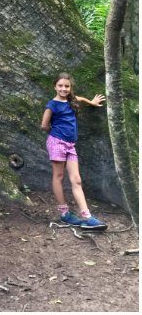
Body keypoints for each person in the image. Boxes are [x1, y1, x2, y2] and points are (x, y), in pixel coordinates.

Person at [40, 72, 107, 230]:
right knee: (59, 176)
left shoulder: (71, 101)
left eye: (67, 86)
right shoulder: (52, 104)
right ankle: (64, 213)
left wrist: (92, 102)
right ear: (55, 87)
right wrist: (56, 135)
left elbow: (81, 99)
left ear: (70, 88)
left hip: (71, 145)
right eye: (60, 86)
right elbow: (44, 125)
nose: (63, 88)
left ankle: (86, 216)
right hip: (57, 143)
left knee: (76, 179)